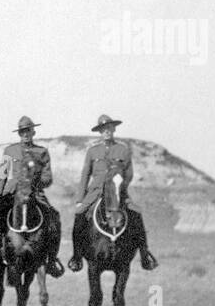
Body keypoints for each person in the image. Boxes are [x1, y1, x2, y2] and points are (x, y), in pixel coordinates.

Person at [68, 114, 159, 271]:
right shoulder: (92, 151)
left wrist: (119, 187)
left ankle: (145, 255)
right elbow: (85, 175)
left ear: (114, 129)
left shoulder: (123, 150)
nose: (107, 132)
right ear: (100, 132)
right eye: (103, 129)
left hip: (118, 192)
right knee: (79, 215)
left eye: (109, 128)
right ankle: (77, 257)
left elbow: (129, 174)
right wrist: (80, 199)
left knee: (136, 214)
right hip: (95, 192)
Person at [0, 115, 64, 277]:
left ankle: (51, 260)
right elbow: (2, 175)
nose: (25, 134)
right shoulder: (9, 151)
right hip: (12, 193)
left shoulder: (42, 152)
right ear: (19, 133)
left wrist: (34, 184)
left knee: (54, 218)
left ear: (33, 131)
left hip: (34, 194)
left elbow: (48, 178)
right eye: (22, 132)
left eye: (28, 131)